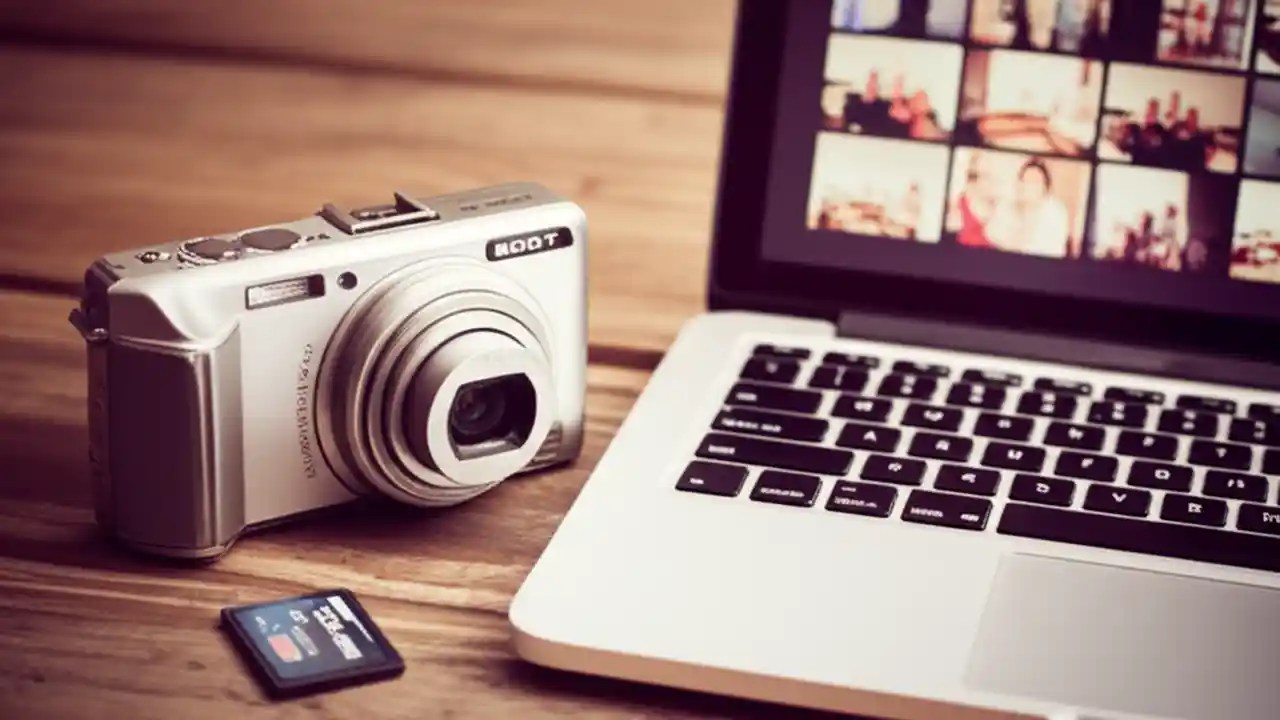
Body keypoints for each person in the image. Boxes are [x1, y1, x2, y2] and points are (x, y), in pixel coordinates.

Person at [1008, 158, 1070, 257]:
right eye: (1024, 180)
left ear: (1044, 187)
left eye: (1034, 181)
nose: (1027, 186)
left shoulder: (1055, 211)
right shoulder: (1011, 208)